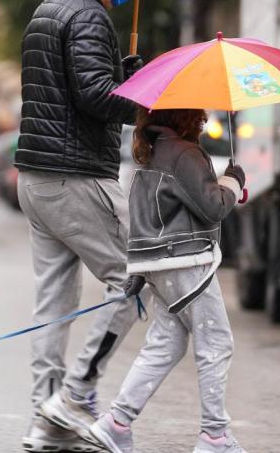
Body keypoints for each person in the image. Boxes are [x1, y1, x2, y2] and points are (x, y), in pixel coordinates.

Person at [16, 0, 150, 452]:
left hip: (37, 178)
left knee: (53, 302)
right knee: (134, 279)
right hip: (75, 176)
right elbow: (93, 96)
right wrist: (139, 96)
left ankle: (45, 420)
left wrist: (121, 76)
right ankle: (74, 398)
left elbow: (71, 87)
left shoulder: (47, 10)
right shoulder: (90, 16)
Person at [86, 108, 247, 453]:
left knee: (165, 344)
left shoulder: (152, 153)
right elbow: (214, 207)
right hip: (187, 263)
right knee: (216, 343)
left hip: (159, 267)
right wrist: (233, 182)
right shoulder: (185, 154)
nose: (204, 117)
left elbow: (142, 218)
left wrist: (137, 271)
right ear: (186, 115)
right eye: (199, 112)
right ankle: (215, 436)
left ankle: (117, 422)